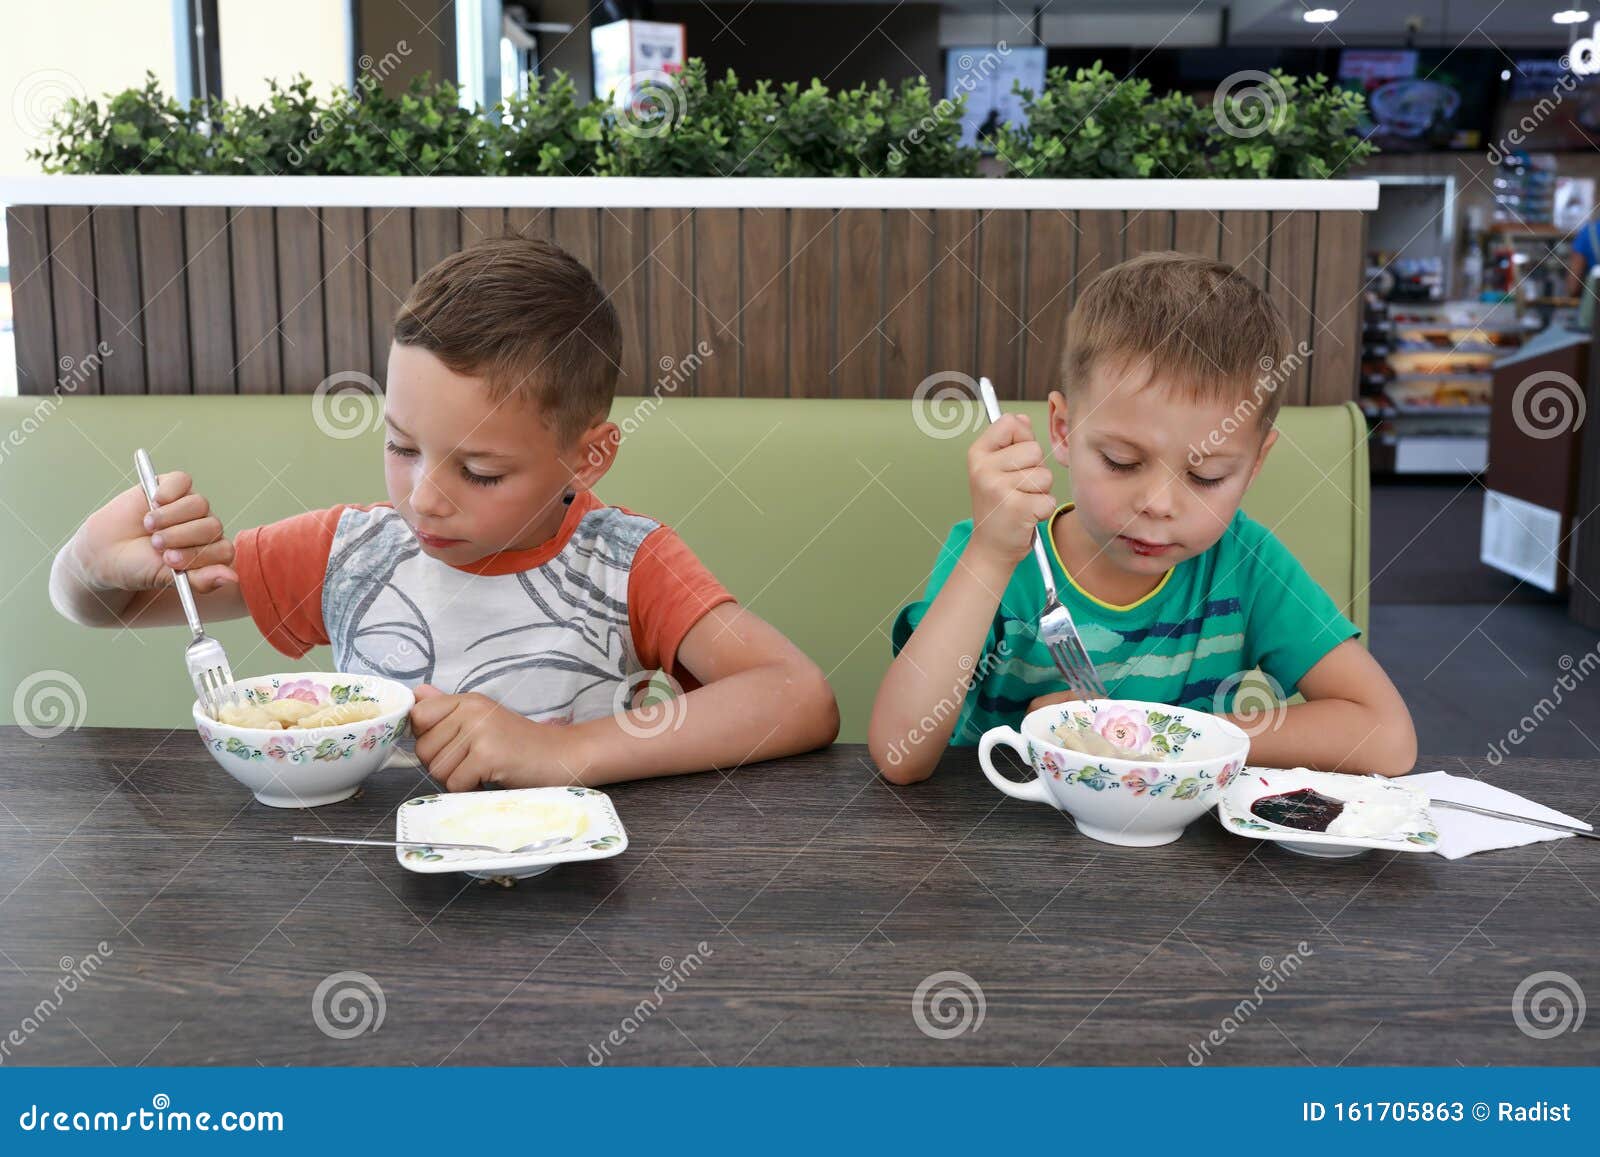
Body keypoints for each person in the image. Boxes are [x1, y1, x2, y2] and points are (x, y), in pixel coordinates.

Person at [51, 237, 839, 790]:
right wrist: (91, 560)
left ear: (588, 457)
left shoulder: (627, 562)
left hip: (576, 908)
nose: (424, 497)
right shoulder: (346, 553)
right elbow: (104, 610)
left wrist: (564, 752)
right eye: (401, 447)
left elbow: (799, 695)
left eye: (481, 470)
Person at [870, 251, 1416, 784]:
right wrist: (990, 556)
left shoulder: (1246, 566)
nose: (1159, 503)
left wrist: (1157, 736)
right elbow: (901, 754)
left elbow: (1386, 735)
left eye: (1207, 476)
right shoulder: (996, 553)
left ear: (1255, 464)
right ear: (1063, 430)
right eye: (1121, 462)